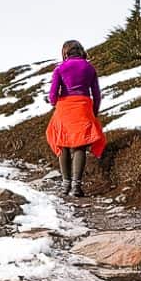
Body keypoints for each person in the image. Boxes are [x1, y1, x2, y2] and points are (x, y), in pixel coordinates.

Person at [45, 40, 106, 196]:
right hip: (83, 106)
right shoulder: (90, 68)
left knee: (62, 143)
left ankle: (65, 185)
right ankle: (76, 187)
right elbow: (97, 95)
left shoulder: (60, 69)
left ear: (65, 52)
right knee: (80, 146)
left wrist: (55, 103)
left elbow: (52, 95)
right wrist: (94, 112)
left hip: (65, 107)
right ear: (80, 51)